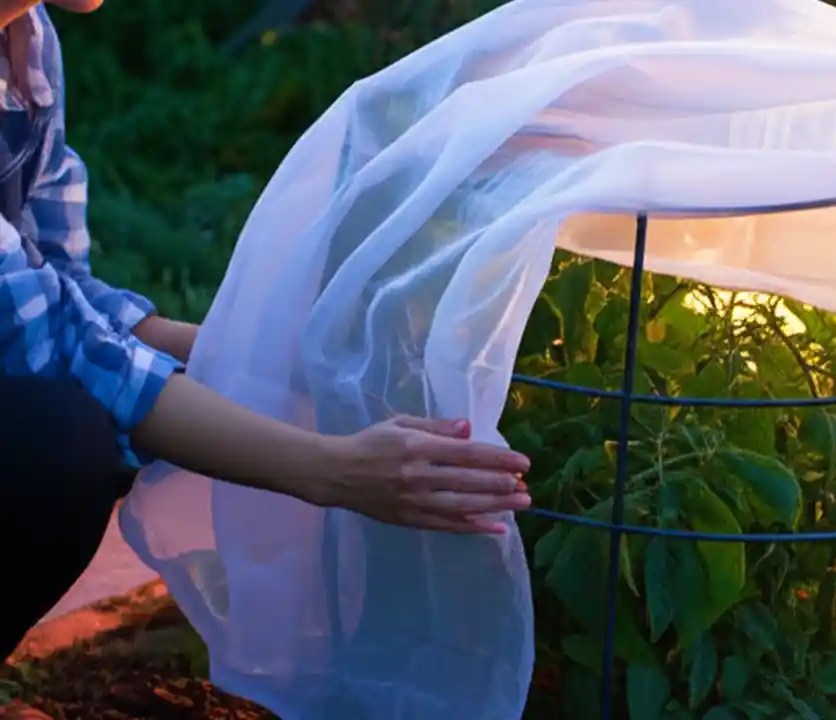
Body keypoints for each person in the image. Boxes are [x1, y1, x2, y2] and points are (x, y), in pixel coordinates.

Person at [0, 1, 533, 711]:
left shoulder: (27, 41)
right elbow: (59, 350)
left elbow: (64, 295)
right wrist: (333, 470)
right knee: (57, 445)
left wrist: (307, 367)